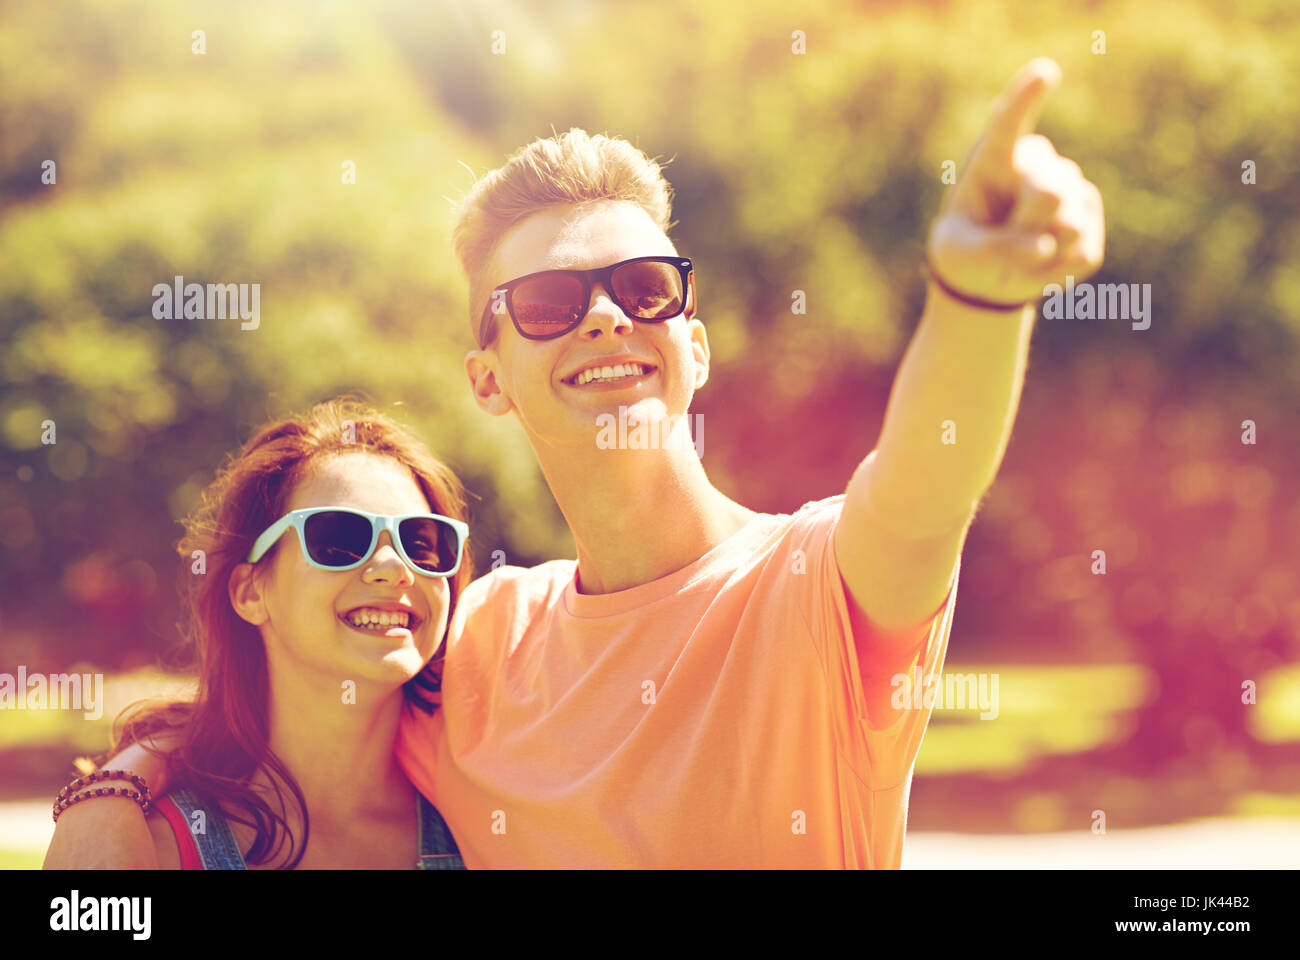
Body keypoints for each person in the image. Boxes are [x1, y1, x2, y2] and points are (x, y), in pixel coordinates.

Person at [49, 58, 1104, 868]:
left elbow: (929, 481)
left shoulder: (822, 580)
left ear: (692, 343)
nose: (604, 317)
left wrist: (978, 298)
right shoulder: (481, 643)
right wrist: (116, 797)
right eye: (549, 305)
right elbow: (291, 681)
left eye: (643, 289)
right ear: (489, 379)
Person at [44, 398, 472, 869]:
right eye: (340, 538)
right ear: (250, 591)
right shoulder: (148, 849)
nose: (395, 569)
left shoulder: (491, 830)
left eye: (422, 545)